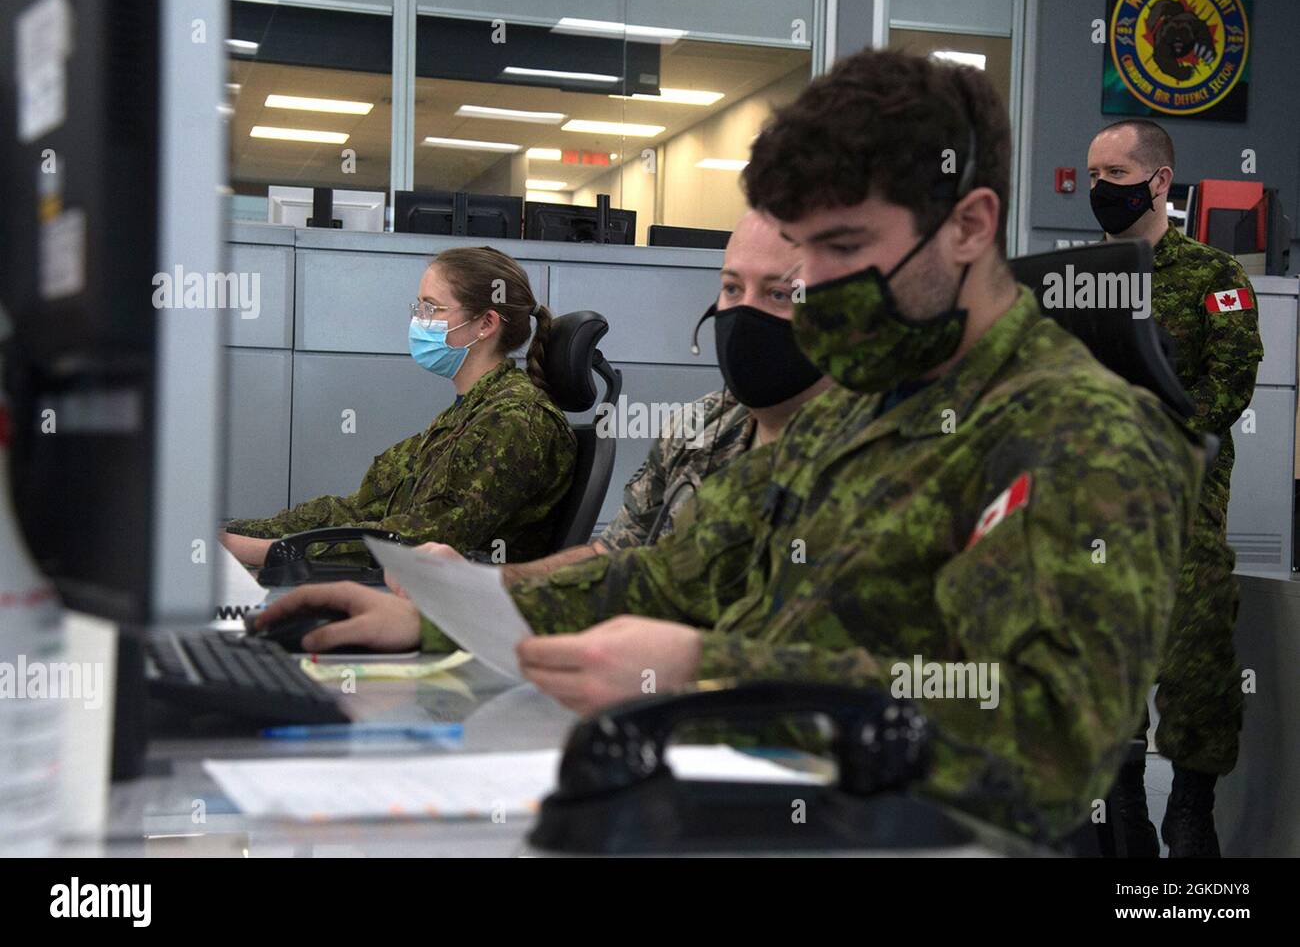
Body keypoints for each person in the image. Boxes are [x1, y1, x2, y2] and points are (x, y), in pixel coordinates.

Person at [264, 50, 1205, 844]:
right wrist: (456, 612)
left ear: (970, 225)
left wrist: (704, 672)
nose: (818, 285)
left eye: (844, 247)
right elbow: (676, 576)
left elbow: (1050, 740)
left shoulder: (1082, 433)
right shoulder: (863, 399)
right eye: (805, 252)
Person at [252, 210, 832, 626]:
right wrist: (469, 598)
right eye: (731, 288)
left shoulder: (871, 443)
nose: (743, 313)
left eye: (780, 294)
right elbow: (616, 558)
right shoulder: (701, 427)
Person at [1086, 119, 1263, 857]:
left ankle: (1190, 811)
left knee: (1195, 664)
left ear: (1159, 183)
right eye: (1092, 176)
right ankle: (1121, 810)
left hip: (1182, 507)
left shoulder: (1217, 278)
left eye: (1116, 178)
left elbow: (1229, 391)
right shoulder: (1078, 279)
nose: (1099, 191)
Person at [220, 246, 576, 566]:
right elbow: (363, 507)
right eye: (418, 307)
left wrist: (271, 552)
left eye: (430, 308)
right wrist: (240, 532)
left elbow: (422, 539)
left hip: (455, 611)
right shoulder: (466, 414)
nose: (418, 320)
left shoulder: (515, 420)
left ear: (485, 323)